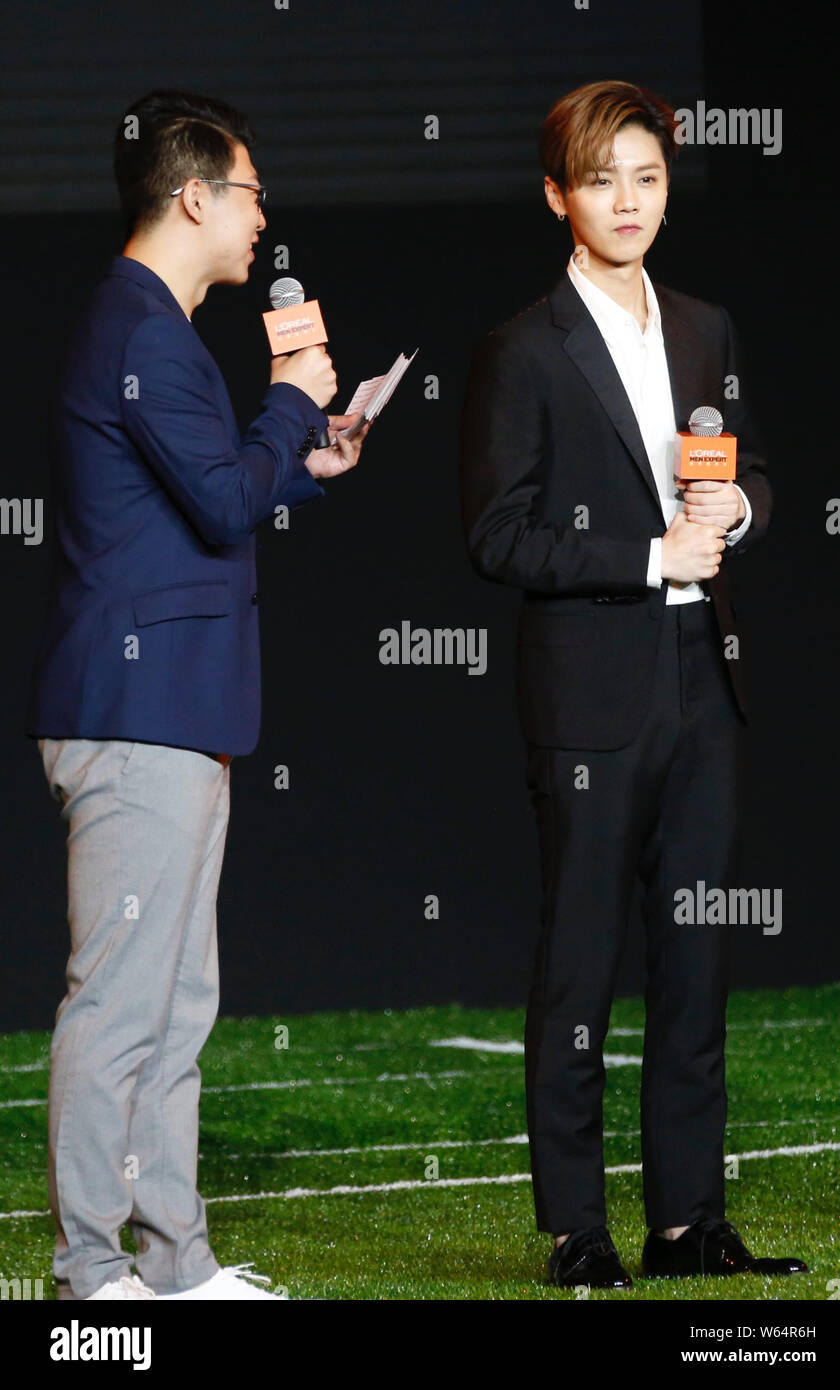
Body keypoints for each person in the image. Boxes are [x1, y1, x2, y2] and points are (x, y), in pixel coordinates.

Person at [459, 79, 806, 1289]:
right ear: (559, 192)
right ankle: (575, 1229)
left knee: (694, 961)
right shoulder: (520, 347)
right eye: (601, 176)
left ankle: (686, 1221)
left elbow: (751, 469)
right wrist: (647, 552)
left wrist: (738, 512)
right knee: (580, 961)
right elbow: (496, 537)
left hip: (701, 679)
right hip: (590, 692)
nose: (627, 199)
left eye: (646, 176)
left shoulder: (704, 324)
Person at [25, 88, 369, 1301]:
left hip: (178, 710)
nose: (261, 216)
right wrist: (290, 403)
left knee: (175, 1003)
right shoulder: (140, 327)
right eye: (251, 193)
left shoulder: (149, 327)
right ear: (194, 197)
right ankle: (89, 1268)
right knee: (120, 1001)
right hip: (135, 714)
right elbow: (222, 500)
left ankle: (175, 1264)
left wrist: (305, 456)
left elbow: (215, 489)